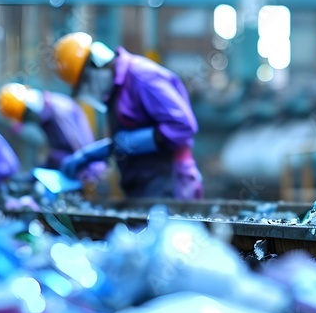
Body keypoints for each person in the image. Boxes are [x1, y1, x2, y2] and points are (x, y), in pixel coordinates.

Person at [52, 32, 203, 200]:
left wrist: (136, 141)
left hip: (168, 181)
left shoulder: (142, 77)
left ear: (97, 63)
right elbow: (123, 140)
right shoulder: (116, 87)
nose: (88, 91)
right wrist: (90, 155)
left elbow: (183, 126)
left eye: (85, 83)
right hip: (143, 184)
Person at [0, 83, 106, 182]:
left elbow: (81, 150)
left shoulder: (59, 111)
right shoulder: (47, 115)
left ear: (29, 111)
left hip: (87, 174)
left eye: (25, 118)